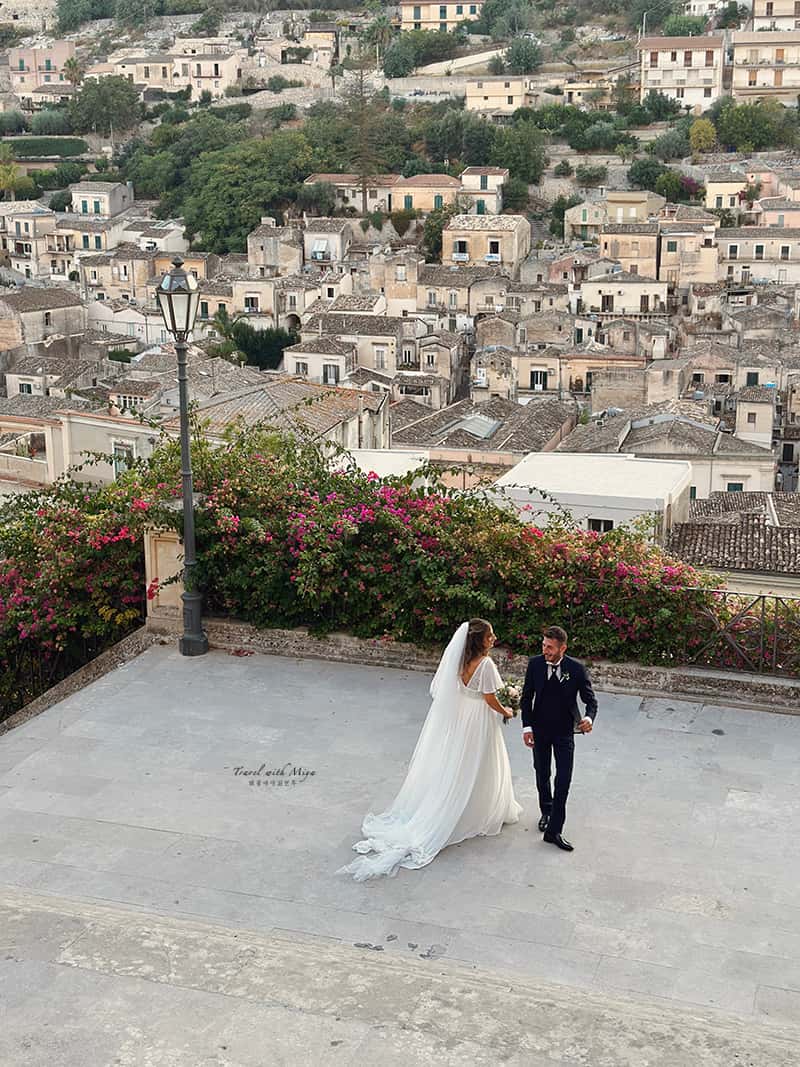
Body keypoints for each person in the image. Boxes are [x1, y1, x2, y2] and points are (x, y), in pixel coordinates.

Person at [338, 619, 522, 881]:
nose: (494, 639)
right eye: (490, 636)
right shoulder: (487, 664)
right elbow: (490, 698)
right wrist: (508, 710)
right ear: (479, 640)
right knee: (480, 762)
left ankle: (466, 803)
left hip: (463, 719)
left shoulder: (459, 661)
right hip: (479, 720)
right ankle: (474, 810)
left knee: (461, 763)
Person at [520, 625, 598, 853]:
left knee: (563, 780)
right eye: (544, 646)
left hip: (565, 732)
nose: (546, 651)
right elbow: (526, 698)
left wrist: (589, 718)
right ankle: (546, 810)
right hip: (540, 730)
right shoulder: (535, 664)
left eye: (550, 647)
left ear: (563, 648)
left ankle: (554, 830)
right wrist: (527, 727)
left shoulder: (575, 669)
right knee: (542, 773)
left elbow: (590, 701)